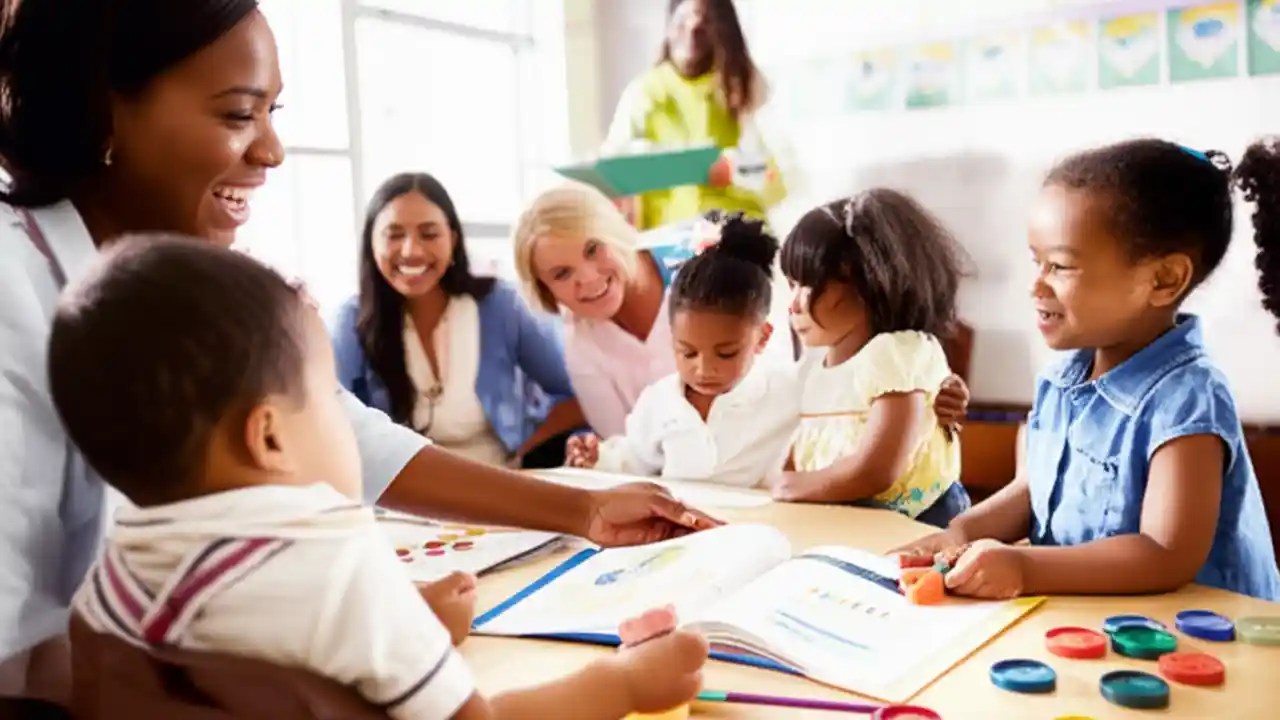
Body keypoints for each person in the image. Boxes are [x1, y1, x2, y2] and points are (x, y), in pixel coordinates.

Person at [0, 0, 714, 700]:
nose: (272, 150)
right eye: (238, 113)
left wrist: (581, 513)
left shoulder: (169, 277)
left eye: (273, 115)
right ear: (102, 110)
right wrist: (618, 684)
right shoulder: (17, 289)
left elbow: (352, 433)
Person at [51, 237, 710, 720]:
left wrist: (407, 623)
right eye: (329, 396)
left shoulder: (113, 573)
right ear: (271, 436)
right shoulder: (336, 568)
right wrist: (622, 685)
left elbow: (263, 657)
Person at [895, 138, 1280, 602]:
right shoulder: (1061, 380)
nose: (1036, 285)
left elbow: (1164, 553)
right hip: (1090, 621)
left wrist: (1024, 565)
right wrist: (961, 532)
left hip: (1205, 640)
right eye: (1036, 261)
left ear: (1163, 280)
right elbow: (1032, 488)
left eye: (1060, 266)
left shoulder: (1188, 397)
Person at [331, 173, 584, 469]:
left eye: (429, 234)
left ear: (452, 239)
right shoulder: (352, 320)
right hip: (404, 499)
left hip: (503, 484)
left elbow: (575, 396)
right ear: (371, 243)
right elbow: (329, 416)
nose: (411, 250)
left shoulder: (500, 305)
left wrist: (529, 451)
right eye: (394, 234)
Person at [771, 191, 972, 529]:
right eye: (791, 285)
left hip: (915, 522)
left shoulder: (895, 353)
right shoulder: (814, 367)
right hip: (852, 519)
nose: (793, 305)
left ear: (867, 283)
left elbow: (876, 471)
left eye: (808, 286)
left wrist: (794, 486)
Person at [565, 213, 797, 487]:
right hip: (681, 525)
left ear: (762, 338)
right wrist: (597, 458)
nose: (703, 369)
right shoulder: (659, 401)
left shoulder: (788, 392)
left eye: (726, 354)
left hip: (757, 524)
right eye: (687, 353)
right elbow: (632, 461)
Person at [604, 0, 786, 230]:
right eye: (683, 21)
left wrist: (732, 169)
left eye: (704, 24)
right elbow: (615, 167)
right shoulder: (644, 92)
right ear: (669, 27)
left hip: (737, 235)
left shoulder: (745, 87)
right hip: (667, 241)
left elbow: (777, 176)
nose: (692, 30)